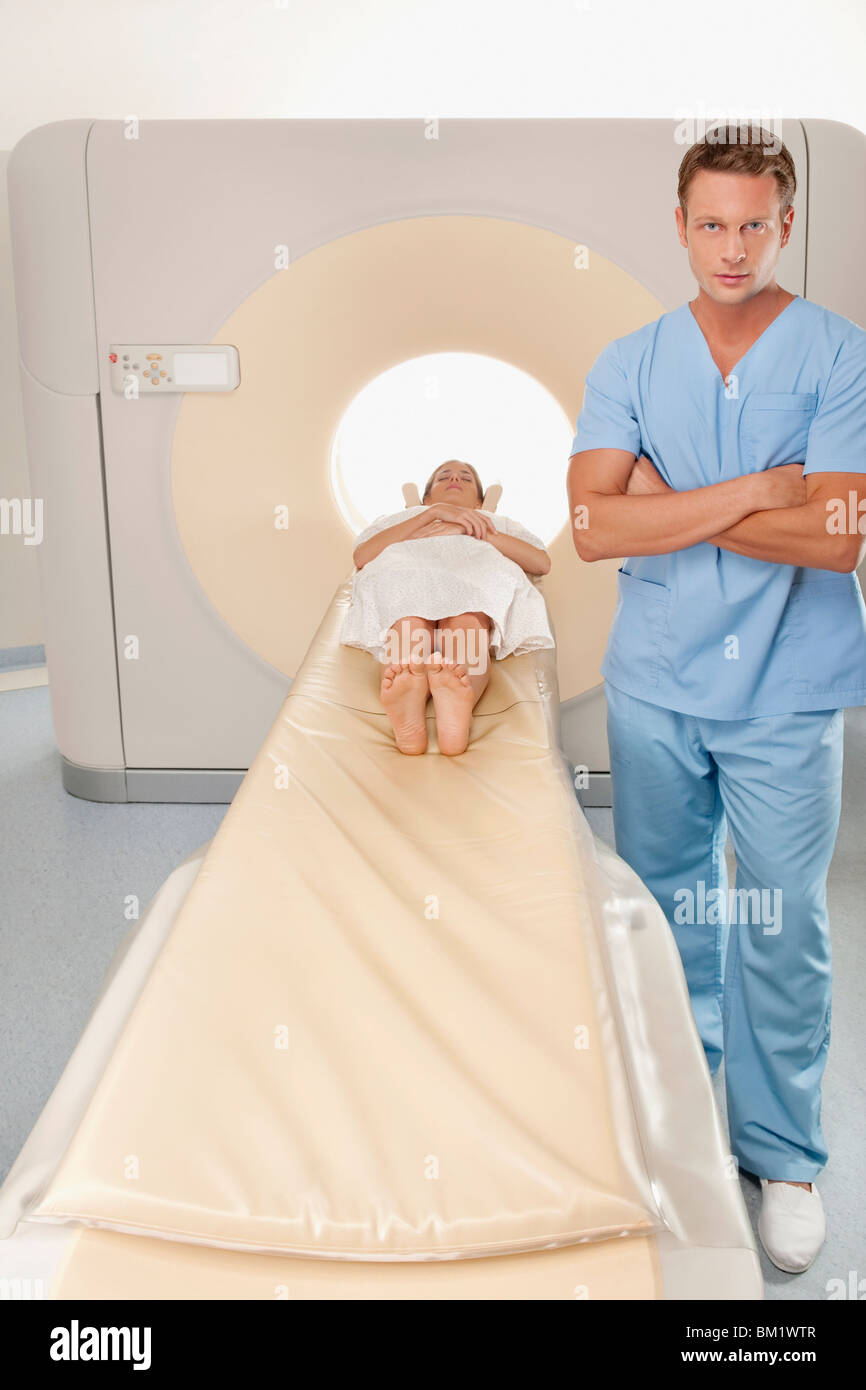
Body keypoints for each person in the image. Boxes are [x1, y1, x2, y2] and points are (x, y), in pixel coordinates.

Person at [566, 123, 866, 1274]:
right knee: (666, 907)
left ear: (782, 224)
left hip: (786, 690)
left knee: (781, 919)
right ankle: (680, 1129)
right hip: (654, 685)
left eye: (752, 223)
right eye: (710, 223)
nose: (730, 246)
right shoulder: (630, 359)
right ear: (679, 225)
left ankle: (782, 1155)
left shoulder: (838, 355)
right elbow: (591, 527)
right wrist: (752, 494)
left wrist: (672, 501)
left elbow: (837, 541)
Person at [340, 459, 553, 755]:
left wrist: (471, 525)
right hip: (407, 571)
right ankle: (408, 696)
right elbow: (363, 556)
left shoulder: (497, 523)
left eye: (466, 478)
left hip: (473, 570)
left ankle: (456, 707)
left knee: (467, 619)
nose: (455, 479)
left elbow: (540, 562)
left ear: (479, 501)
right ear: (427, 497)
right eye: (444, 476)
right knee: (409, 618)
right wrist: (430, 517)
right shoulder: (405, 518)